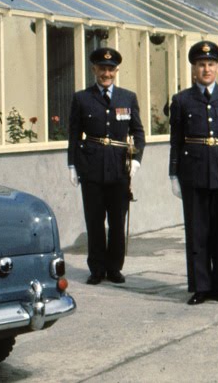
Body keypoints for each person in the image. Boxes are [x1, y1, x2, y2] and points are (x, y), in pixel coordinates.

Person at [168, 41, 218, 305]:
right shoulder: (182, 100)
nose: (206, 69)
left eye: (211, 64)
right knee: (197, 230)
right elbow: (176, 141)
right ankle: (200, 287)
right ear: (194, 68)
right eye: (201, 64)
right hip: (193, 173)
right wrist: (173, 175)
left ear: (217, 67)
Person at [68, 47, 145, 285]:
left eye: (111, 69)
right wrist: (72, 165)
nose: (107, 73)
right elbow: (73, 135)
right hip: (91, 168)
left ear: (116, 71)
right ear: (94, 70)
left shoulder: (127, 97)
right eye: (102, 69)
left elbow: (139, 133)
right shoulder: (82, 98)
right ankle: (97, 269)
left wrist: (136, 160)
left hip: (119, 169)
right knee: (94, 221)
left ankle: (114, 268)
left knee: (117, 221)